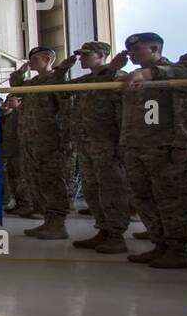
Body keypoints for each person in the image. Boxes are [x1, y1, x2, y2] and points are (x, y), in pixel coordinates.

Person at [114, 33, 187, 268]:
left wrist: (182, 144)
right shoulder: (130, 78)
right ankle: (160, 244)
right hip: (136, 146)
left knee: (171, 199)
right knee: (144, 199)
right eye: (129, 50)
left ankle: (177, 249)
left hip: (163, 148)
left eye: (137, 49)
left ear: (154, 48)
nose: (131, 54)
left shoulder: (173, 73)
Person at [54, 42, 130, 254]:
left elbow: (123, 112)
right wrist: (62, 69)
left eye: (86, 55)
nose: (81, 58)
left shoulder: (118, 76)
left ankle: (116, 235)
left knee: (111, 189)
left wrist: (122, 143)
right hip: (86, 142)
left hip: (107, 143)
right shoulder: (88, 80)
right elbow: (61, 92)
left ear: (102, 55)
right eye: (80, 55)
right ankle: (103, 230)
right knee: (92, 189)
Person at [8, 46, 70, 238]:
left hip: (50, 141)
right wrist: (20, 72)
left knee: (53, 182)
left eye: (34, 59)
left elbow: (66, 110)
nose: (31, 62)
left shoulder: (56, 79)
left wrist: (65, 140)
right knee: (37, 181)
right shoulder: (35, 82)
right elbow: (17, 89)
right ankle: (47, 220)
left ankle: (58, 224)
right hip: (32, 141)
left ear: (47, 58)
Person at [0, 94, 31, 213]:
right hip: (9, 151)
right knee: (12, 179)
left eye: (11, 100)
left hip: (20, 151)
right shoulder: (8, 115)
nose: (8, 102)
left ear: (19, 101)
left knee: (21, 179)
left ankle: (27, 204)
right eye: (7, 100)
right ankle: (19, 203)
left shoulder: (21, 114)